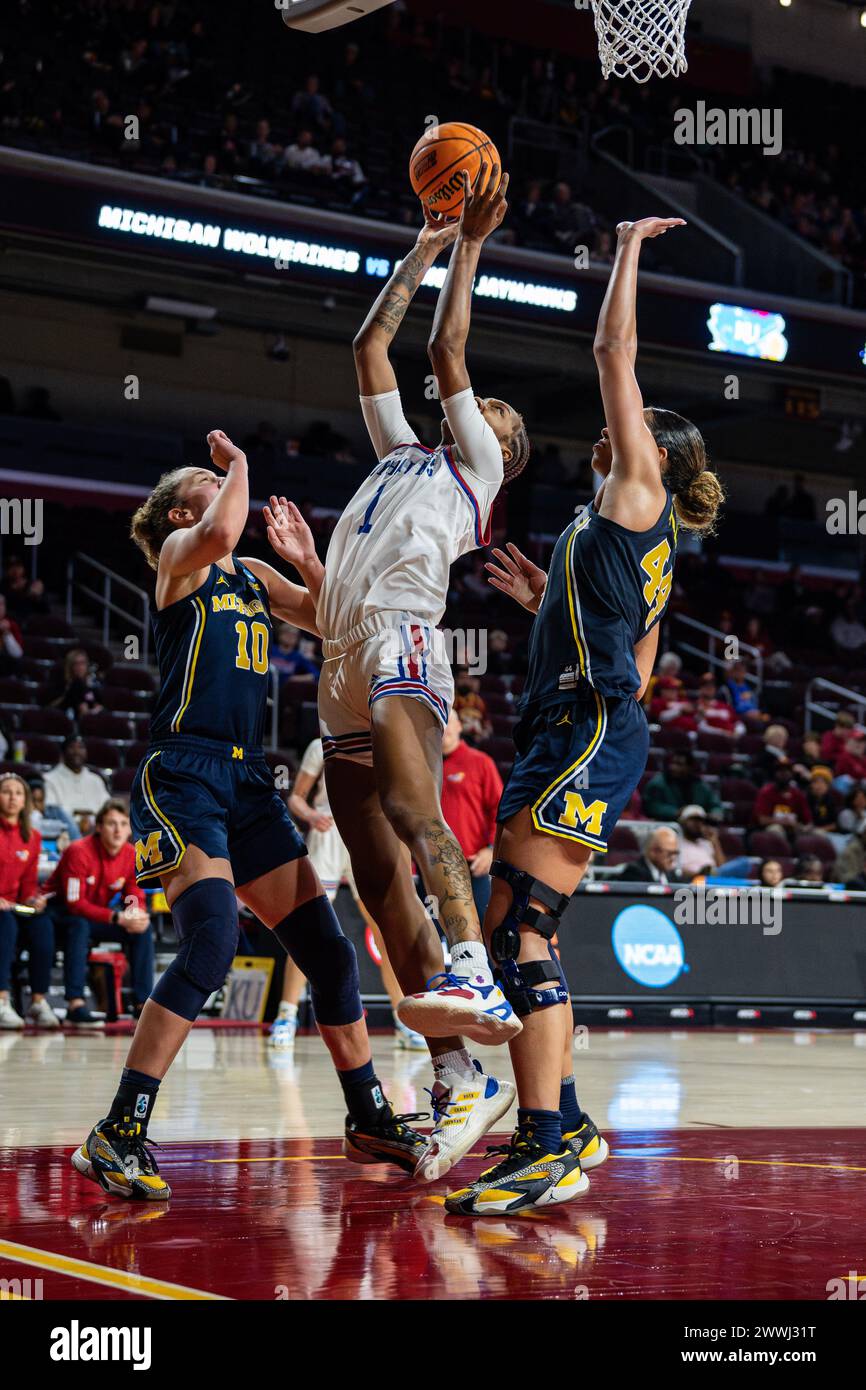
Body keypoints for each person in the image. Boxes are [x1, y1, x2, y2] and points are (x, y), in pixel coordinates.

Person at [442, 214, 723, 1216]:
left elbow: (612, 348)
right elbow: (634, 660)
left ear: (653, 448)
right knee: (501, 922)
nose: (615, 424)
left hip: (589, 731)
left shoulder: (636, 488)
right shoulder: (596, 529)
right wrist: (542, 608)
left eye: (636, 423)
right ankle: (563, 1117)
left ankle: (545, 1140)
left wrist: (627, 249)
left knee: (521, 928)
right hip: (572, 721)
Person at [71, 430, 426, 1204]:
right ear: (175, 515)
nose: (220, 479)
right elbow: (225, 528)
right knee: (213, 940)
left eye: (218, 472)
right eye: (202, 476)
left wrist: (306, 560)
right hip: (183, 773)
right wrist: (238, 465)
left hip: (248, 782)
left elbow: (340, 623)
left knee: (331, 958)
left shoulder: (257, 577)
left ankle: (368, 1114)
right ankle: (120, 1129)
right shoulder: (180, 562)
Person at [268, 168, 527, 1184]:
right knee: (375, 883)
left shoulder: (475, 467)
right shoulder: (400, 454)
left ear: (499, 447)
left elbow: (442, 348)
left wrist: (468, 243)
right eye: (481, 405)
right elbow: (371, 345)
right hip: (336, 653)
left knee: (420, 812)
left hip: (400, 636)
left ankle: (475, 974)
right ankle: (457, 1071)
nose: (480, 404)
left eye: (494, 410)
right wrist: (417, 247)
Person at [273, 735, 426, 1051]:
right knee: (309, 931)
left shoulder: (387, 740)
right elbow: (296, 798)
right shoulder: (320, 745)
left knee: (385, 933)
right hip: (328, 835)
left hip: (369, 833)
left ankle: (404, 1020)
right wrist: (313, 816)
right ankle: (286, 1017)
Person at [46, 800, 154, 1027]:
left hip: (97, 915)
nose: (118, 830)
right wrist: (116, 917)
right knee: (79, 925)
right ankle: (75, 1003)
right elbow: (75, 904)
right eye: (111, 823)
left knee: (143, 930)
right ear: (99, 827)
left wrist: (135, 912)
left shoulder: (131, 854)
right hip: (58, 913)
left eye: (123, 824)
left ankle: (143, 1004)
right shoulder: (79, 851)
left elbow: (134, 893)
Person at [0, 773, 58, 1030]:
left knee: (42, 924)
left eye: (18, 793)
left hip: (14, 906)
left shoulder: (32, 837)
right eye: (6, 791)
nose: (13, 798)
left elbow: (26, 884)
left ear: (25, 801)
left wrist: (34, 899)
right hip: (2, 912)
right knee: (5, 924)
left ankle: (38, 1001)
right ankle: (1, 1000)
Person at [439, 709, 503, 920]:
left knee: (482, 929)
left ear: (459, 726)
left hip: (472, 866)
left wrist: (491, 849)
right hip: (432, 865)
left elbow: (500, 808)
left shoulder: (481, 762)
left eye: (448, 722)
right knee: (432, 935)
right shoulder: (423, 766)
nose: (443, 728)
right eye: (438, 723)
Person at [43, 737, 110, 827]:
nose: (77, 752)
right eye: (72, 747)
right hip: (65, 832)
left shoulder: (96, 780)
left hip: (98, 831)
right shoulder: (49, 779)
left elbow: (108, 808)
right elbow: (52, 813)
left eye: (81, 747)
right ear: (63, 753)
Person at [641, 749, 722, 822]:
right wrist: (677, 812)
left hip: (696, 826)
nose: (673, 767)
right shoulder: (658, 783)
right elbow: (651, 806)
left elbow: (715, 804)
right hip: (667, 824)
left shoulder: (699, 785)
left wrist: (715, 813)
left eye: (679, 764)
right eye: (672, 763)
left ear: (689, 767)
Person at [752, 763, 812, 838]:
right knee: (776, 829)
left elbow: (808, 820)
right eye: (780, 771)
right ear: (774, 774)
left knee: (815, 834)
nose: (784, 774)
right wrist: (784, 822)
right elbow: (762, 820)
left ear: (792, 774)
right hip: (769, 830)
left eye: (787, 771)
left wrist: (805, 828)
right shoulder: (766, 793)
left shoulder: (798, 794)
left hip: (794, 830)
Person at [45, 647, 104, 719]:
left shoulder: (92, 684)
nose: (80, 667)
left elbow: (98, 704)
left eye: (82, 663)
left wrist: (95, 709)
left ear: (87, 664)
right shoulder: (62, 683)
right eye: (76, 664)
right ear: (70, 666)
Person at [619, 826, 689, 884]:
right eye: (669, 854)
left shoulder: (671, 874)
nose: (673, 858)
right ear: (653, 852)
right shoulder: (634, 872)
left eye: (675, 853)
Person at [677, 805, 724, 877]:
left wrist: (715, 842)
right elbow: (676, 871)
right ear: (683, 822)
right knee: (745, 863)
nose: (697, 824)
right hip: (692, 881)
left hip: (715, 880)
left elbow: (722, 867)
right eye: (693, 820)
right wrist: (699, 874)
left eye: (700, 821)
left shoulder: (707, 843)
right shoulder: (676, 843)